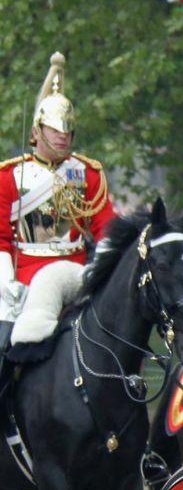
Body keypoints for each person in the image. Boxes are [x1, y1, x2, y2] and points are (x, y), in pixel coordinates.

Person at [0, 52, 115, 363]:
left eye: (67, 130)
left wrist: (98, 271)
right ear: (36, 132)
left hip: (77, 271)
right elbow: (1, 239)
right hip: (23, 275)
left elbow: (107, 229)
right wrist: (6, 281)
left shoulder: (88, 173)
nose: (63, 136)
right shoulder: (10, 176)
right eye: (54, 130)